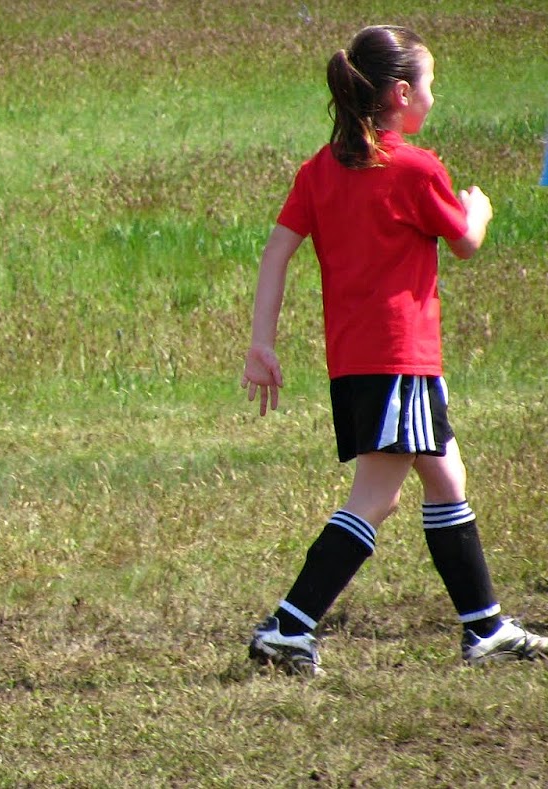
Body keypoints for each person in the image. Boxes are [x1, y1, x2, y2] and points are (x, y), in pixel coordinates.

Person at [240, 24, 546, 676]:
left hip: (357, 362)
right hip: (400, 358)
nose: (434, 97)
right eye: (430, 85)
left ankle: (484, 627)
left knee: (445, 477)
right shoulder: (413, 166)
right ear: (402, 93)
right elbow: (464, 240)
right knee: (376, 497)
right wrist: (480, 208)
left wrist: (261, 342)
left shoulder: (320, 170)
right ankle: (289, 627)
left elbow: (276, 251)